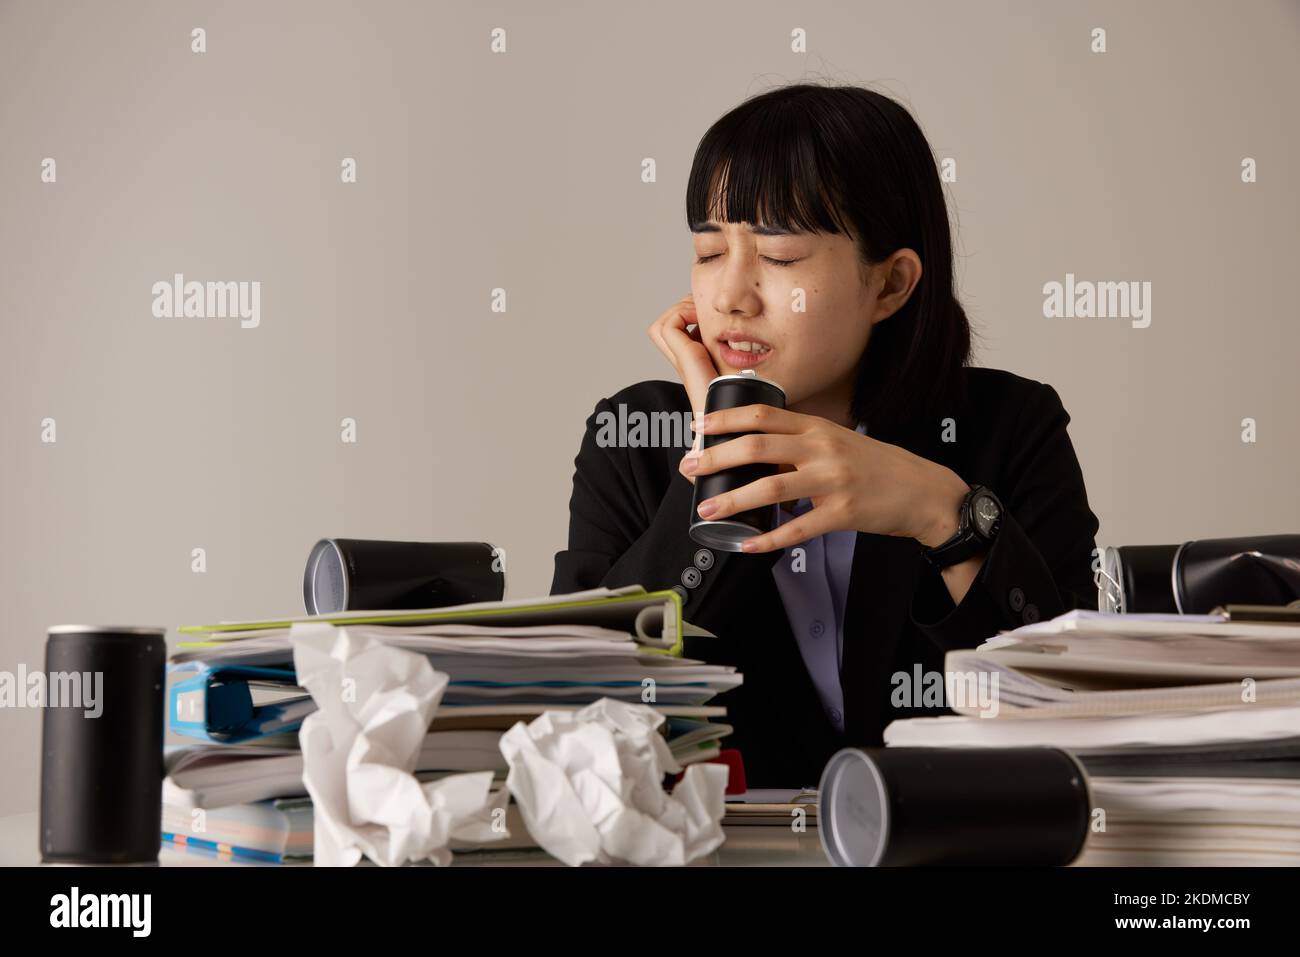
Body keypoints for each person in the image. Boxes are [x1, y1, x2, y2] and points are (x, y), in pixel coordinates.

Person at [551, 82, 1101, 787]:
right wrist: (726, 453)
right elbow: (576, 713)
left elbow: (1073, 711)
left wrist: (942, 513)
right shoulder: (635, 438)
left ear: (891, 285)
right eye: (710, 250)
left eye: (779, 258)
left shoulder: (1010, 427)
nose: (730, 296)